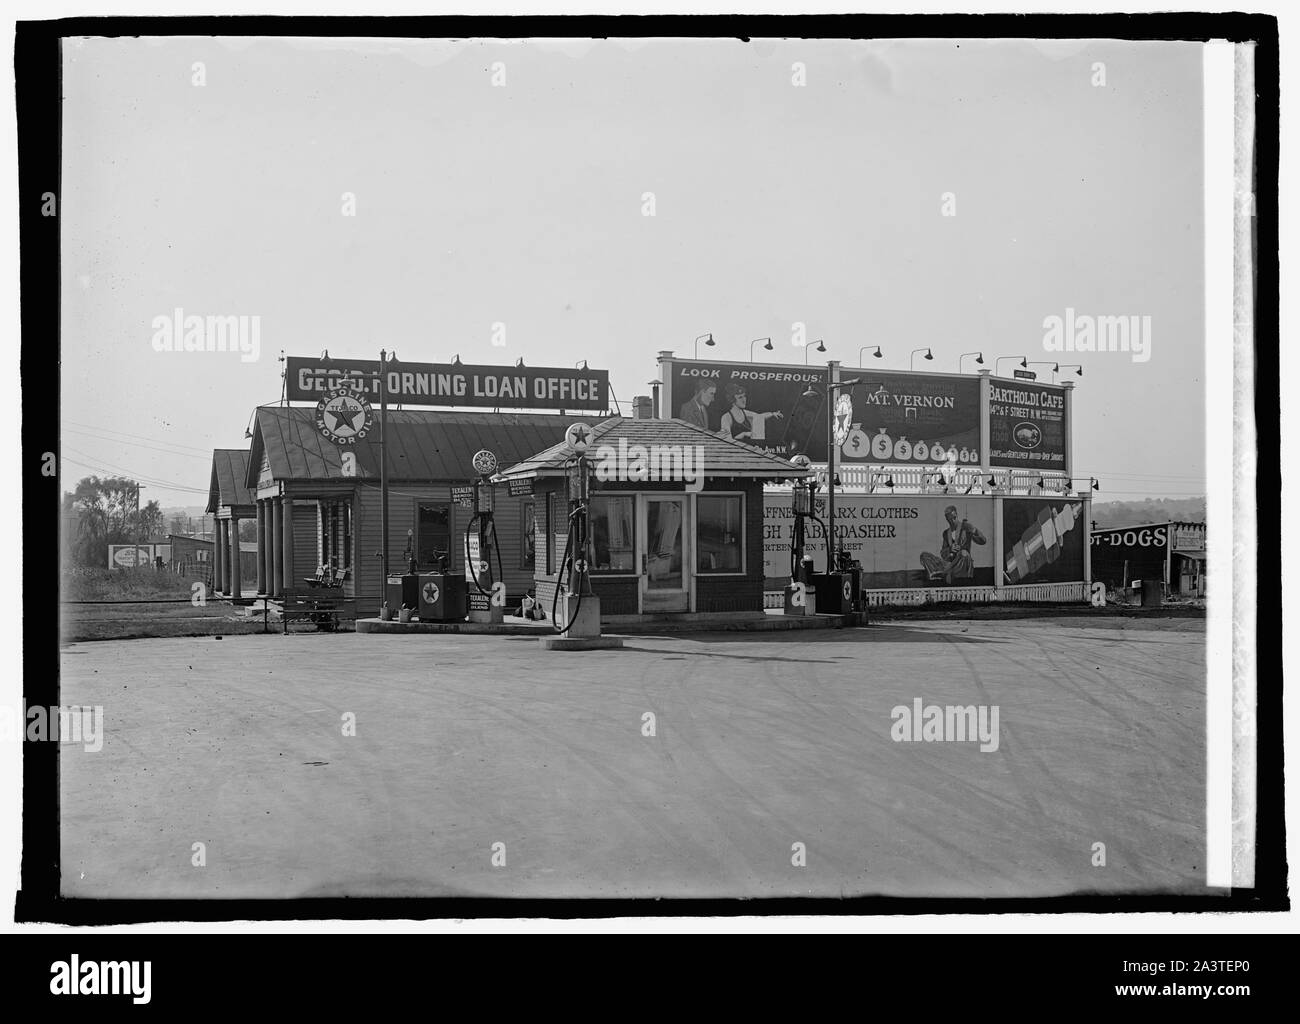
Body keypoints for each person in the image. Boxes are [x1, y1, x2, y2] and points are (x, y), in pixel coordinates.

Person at [920, 505, 986, 585]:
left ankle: (943, 573)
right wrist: (949, 549)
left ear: (957, 515)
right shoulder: (946, 533)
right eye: (950, 519)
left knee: (964, 553)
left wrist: (974, 530)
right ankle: (941, 573)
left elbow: (983, 541)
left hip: (961, 564)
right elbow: (943, 554)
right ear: (947, 519)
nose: (953, 521)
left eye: (954, 518)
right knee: (924, 555)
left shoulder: (965, 527)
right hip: (949, 564)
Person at [718, 385, 784, 442]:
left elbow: (760, 416)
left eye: (744, 396)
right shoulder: (726, 417)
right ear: (732, 400)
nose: (744, 400)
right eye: (740, 397)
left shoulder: (745, 413)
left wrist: (772, 414)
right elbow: (727, 441)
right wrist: (742, 435)